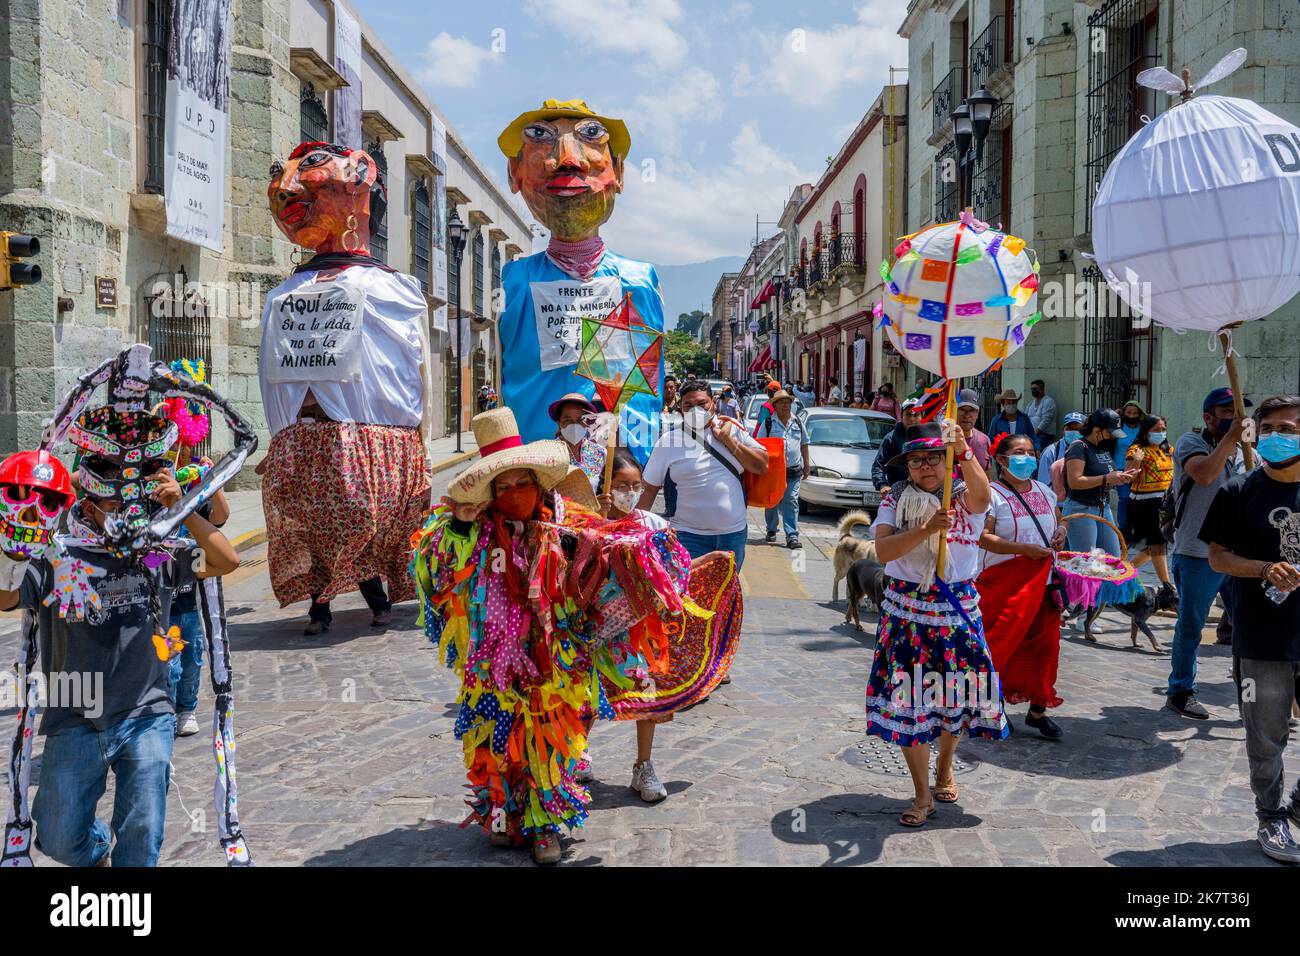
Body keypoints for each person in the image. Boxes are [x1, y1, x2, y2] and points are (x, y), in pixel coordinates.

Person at [0, 414, 240, 868]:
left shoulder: (157, 553)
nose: (126, 514)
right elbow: (7, 596)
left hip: (146, 710)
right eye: (112, 504)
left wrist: (184, 508)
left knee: (142, 833)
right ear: (88, 508)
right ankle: (96, 854)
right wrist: (15, 534)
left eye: (133, 503)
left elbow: (225, 560)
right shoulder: (58, 557)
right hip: (74, 712)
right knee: (56, 836)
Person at [259, 140, 430, 636]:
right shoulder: (286, 295)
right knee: (315, 529)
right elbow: (275, 374)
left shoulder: (394, 288)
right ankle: (321, 605)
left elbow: (414, 374)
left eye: (309, 170)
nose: (287, 185)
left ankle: (373, 598)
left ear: (358, 184)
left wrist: (417, 436)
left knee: (365, 523)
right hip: (307, 441)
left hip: (370, 442)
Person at [867, 419, 1006, 827]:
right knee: (909, 702)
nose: (925, 467)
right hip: (907, 614)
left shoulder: (965, 498)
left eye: (933, 458)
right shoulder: (895, 499)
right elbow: (884, 551)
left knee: (955, 698)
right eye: (915, 460)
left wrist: (963, 447)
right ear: (906, 467)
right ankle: (922, 793)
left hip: (956, 610)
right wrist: (926, 529)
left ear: (948, 463)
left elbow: (983, 496)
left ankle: (945, 766)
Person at [1199, 394, 1300, 863]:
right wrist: (1264, 569)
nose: (1281, 436)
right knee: (1266, 734)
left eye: (1291, 428)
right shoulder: (1237, 492)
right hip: (1263, 637)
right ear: (1257, 433)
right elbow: (1218, 556)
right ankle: (1272, 816)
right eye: (1272, 428)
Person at [1166, 386, 1251, 719]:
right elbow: (1203, 475)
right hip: (1197, 553)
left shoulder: (1247, 452)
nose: (1236, 417)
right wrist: (1231, 438)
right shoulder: (1192, 443)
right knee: (1191, 626)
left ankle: (1252, 696)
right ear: (1208, 417)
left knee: (1246, 628)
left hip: (1237, 556)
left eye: (1239, 411)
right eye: (1227, 411)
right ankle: (1181, 691)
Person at [978, 433, 1068, 739]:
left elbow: (1057, 521)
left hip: (1044, 585)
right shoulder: (990, 494)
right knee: (1000, 645)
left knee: (1045, 647)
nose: (1026, 458)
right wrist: (1023, 549)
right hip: (1005, 585)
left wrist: (1061, 533)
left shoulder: (1045, 491)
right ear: (1001, 460)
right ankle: (991, 705)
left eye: (1031, 452)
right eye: (1019, 452)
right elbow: (984, 537)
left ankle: (1037, 711)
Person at [640, 380, 767, 569]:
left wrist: (727, 440)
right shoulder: (669, 441)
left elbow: (761, 465)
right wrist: (634, 529)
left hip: (732, 534)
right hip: (687, 535)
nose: (695, 410)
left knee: (726, 594)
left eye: (702, 404)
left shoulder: (731, 429)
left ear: (713, 404)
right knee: (687, 594)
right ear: (680, 408)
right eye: (688, 405)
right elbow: (650, 489)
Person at [1062, 409, 1134, 556]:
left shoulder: (1103, 448)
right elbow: (1074, 481)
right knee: (1086, 562)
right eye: (1109, 433)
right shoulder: (1079, 447)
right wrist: (1107, 478)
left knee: (1114, 558)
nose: (1113, 437)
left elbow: (1107, 476)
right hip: (1081, 508)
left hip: (1103, 508)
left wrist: (1120, 477)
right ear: (1096, 430)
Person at [1125, 414, 1176, 599]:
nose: (1161, 433)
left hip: (1165, 502)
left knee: (1158, 545)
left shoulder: (1169, 449)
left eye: (1163, 429)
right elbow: (1128, 477)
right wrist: (1137, 461)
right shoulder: (1136, 450)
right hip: (1145, 503)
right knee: (1157, 544)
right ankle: (1168, 587)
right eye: (1156, 430)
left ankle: (1127, 570)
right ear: (1146, 431)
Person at [759, 390, 810, 549]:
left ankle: (792, 536)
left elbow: (804, 443)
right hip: (773, 472)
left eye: (788, 402)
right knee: (772, 502)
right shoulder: (768, 422)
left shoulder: (798, 422)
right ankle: (772, 529)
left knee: (791, 500)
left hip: (793, 471)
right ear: (775, 405)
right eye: (781, 402)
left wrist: (806, 464)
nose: (786, 405)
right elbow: (759, 445)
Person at [550, 392, 605, 491]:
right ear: (559, 423)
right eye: (567, 420)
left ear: (588, 423)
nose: (574, 425)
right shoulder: (549, 453)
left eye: (580, 420)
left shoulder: (599, 453)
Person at [873, 398, 925, 495]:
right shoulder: (891, 439)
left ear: (922, 416)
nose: (912, 419)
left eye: (916, 414)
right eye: (908, 415)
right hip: (898, 493)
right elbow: (878, 465)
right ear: (901, 416)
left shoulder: (929, 439)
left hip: (924, 494)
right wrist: (882, 485)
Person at [1115, 401, 1147, 531]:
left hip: (1139, 467)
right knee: (1124, 498)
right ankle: (1122, 528)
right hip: (1120, 467)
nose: (1131, 415)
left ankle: (1135, 528)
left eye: (1135, 413)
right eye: (1128, 412)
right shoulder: (1118, 427)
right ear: (1124, 413)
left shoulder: (1143, 428)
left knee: (1138, 499)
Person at [1038, 411, 1086, 485]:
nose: (1074, 432)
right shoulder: (1051, 452)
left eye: (1078, 429)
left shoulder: (1089, 450)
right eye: (1069, 428)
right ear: (1063, 430)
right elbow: (1044, 484)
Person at [955, 389, 992, 470]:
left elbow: (988, 476)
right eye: (962, 409)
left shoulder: (984, 440)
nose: (967, 415)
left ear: (977, 414)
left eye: (971, 410)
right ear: (954, 411)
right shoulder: (946, 440)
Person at [1026, 379, 1058, 451]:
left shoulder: (1048, 401)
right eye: (1032, 389)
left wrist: (1034, 434)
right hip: (1032, 435)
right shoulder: (1030, 403)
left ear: (1042, 389)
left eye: (1035, 389)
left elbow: (1046, 421)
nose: (1033, 391)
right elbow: (1025, 418)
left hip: (1044, 435)